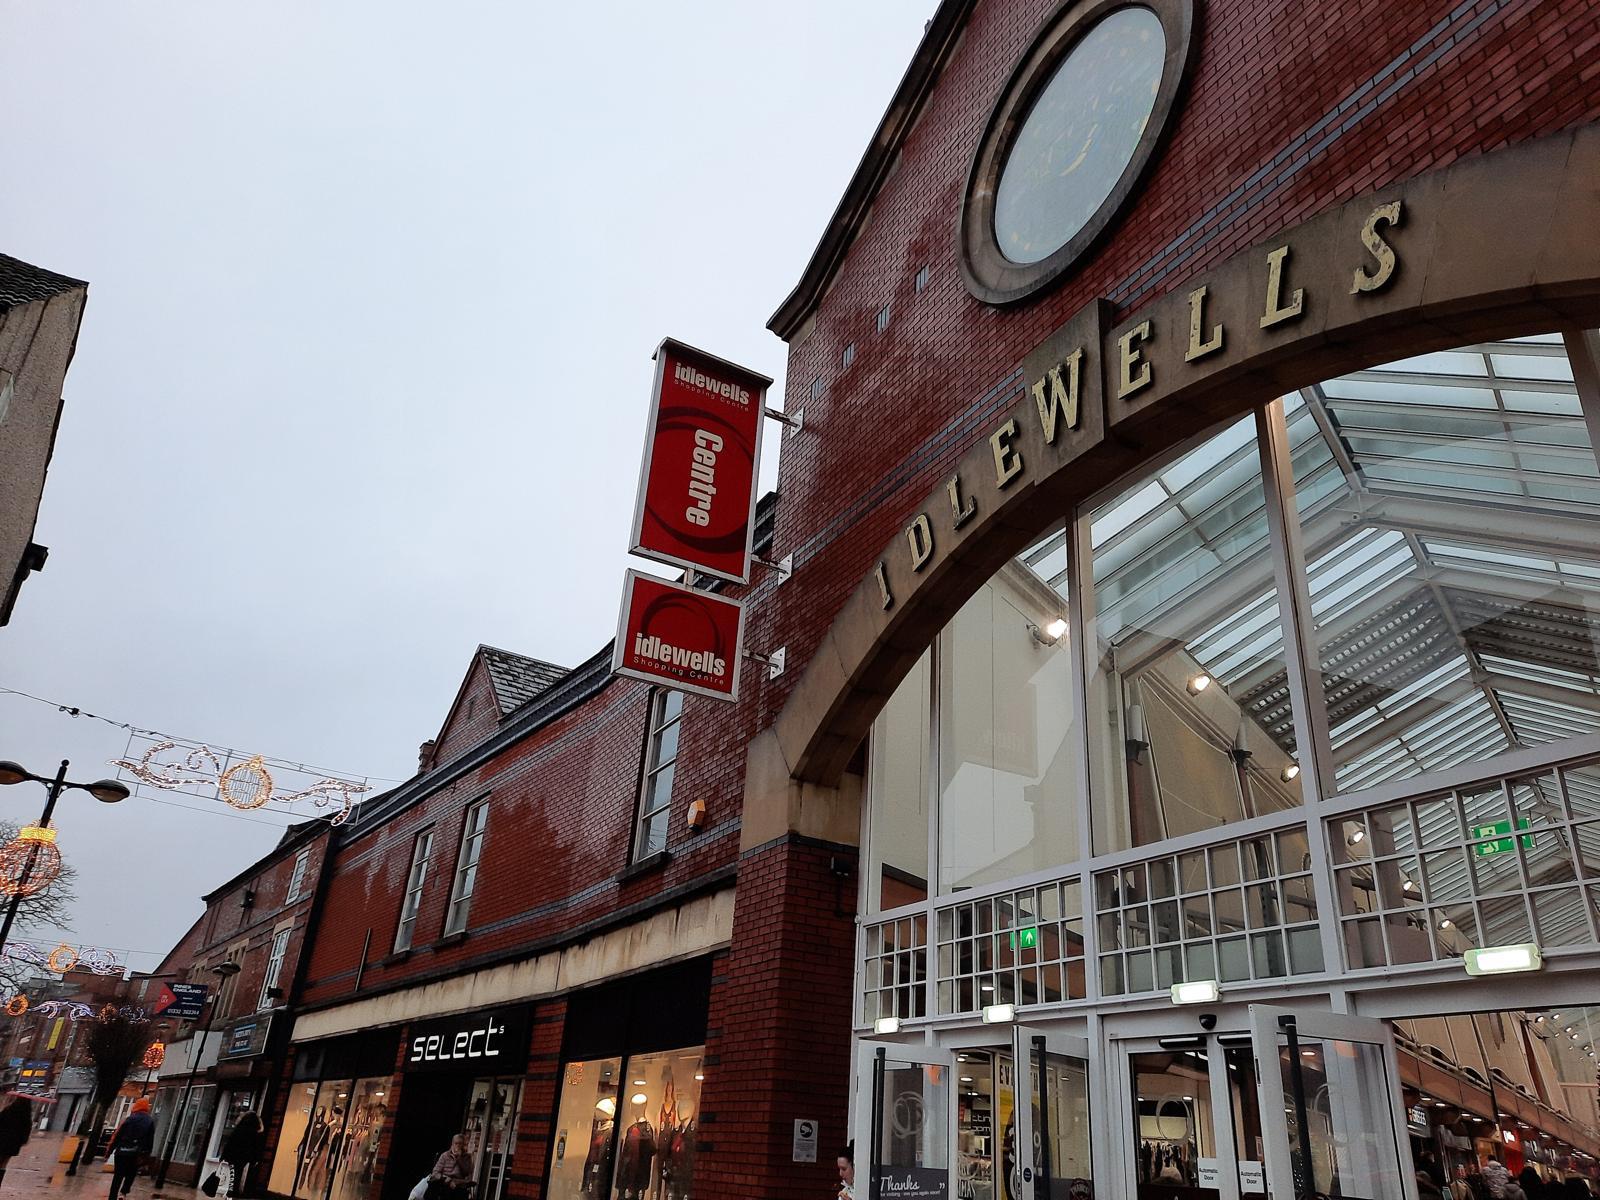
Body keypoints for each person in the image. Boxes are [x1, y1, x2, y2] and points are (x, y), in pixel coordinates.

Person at [107, 1099, 155, 1200]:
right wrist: (146, 1154)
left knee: (118, 1175)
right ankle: (123, 1192)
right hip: (135, 1153)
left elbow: (117, 1136)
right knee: (131, 1174)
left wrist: (110, 1150)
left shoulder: (129, 1119)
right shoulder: (149, 1121)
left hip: (121, 1152)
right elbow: (150, 1140)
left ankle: (112, 1196)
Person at [221, 1111, 266, 1198]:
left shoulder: (239, 1129)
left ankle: (231, 1191)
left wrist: (224, 1155)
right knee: (238, 1172)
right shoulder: (254, 1132)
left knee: (233, 1173)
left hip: (233, 1154)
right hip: (244, 1156)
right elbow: (256, 1146)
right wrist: (255, 1159)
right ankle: (234, 1191)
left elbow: (230, 1142)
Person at [428, 1134, 475, 1200]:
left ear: (463, 1145)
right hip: (444, 1181)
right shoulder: (445, 1155)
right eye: (456, 1143)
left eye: (460, 1143)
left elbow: (466, 1173)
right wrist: (446, 1179)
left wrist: (459, 1159)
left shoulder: (467, 1157)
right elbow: (435, 1172)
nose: (458, 1145)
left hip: (458, 1183)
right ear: (452, 1143)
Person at [0, 1097, 31, 1188]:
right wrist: (22, 1141)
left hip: (2, 1140)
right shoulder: (26, 1113)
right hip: (14, 1143)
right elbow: (27, 1129)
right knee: (4, 1163)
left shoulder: (8, 1110)